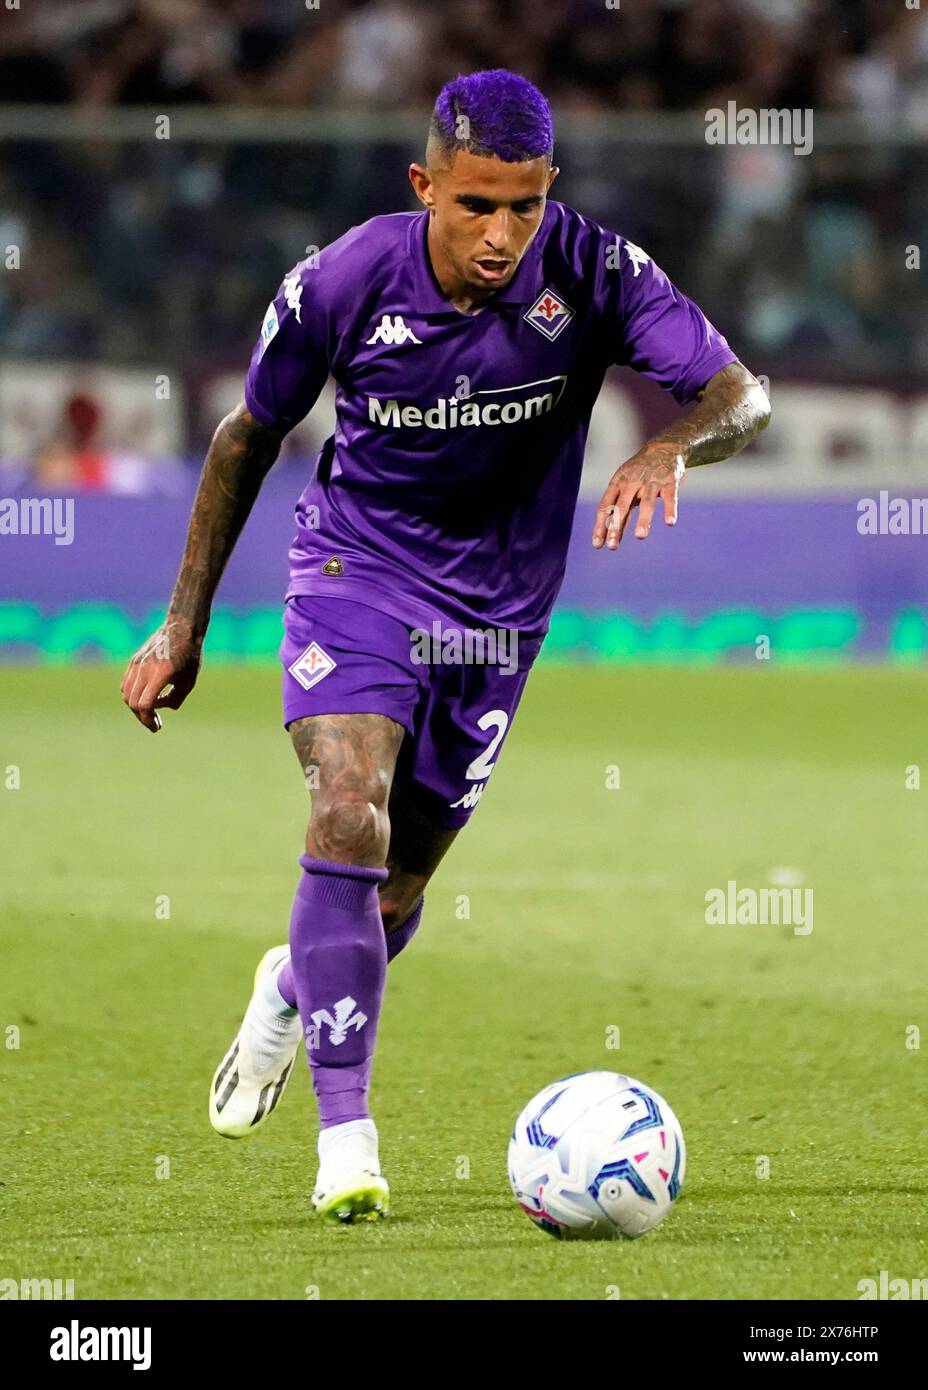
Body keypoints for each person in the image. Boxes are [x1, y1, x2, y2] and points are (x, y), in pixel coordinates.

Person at [120, 69, 770, 1223]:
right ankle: (346, 1139)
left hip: (497, 616)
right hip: (354, 575)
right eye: (475, 204)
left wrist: (671, 443)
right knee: (344, 806)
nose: (501, 233)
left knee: (393, 889)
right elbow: (243, 438)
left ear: (548, 189)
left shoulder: (596, 269)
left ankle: (290, 983)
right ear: (425, 184)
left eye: (523, 205)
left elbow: (735, 393)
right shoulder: (342, 279)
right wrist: (185, 622)